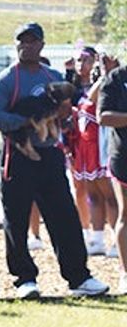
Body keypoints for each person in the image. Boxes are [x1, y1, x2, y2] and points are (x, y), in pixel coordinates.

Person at [0, 22, 108, 299]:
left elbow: (67, 112)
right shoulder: (6, 80)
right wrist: (24, 122)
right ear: (16, 46)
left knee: (65, 217)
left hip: (50, 156)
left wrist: (66, 120)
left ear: (41, 45)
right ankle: (25, 280)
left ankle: (79, 278)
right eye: (22, 42)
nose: (27, 46)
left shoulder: (53, 75)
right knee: (16, 219)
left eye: (32, 41)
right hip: (17, 156)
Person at [65, 47, 117, 257]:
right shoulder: (80, 91)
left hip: (101, 148)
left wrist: (106, 73)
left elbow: (91, 101)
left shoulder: (106, 91)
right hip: (85, 149)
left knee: (110, 196)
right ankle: (96, 239)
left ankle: (116, 239)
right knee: (92, 195)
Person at [96, 51, 127, 294]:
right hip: (123, 156)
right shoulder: (116, 78)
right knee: (126, 215)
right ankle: (126, 272)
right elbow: (103, 117)